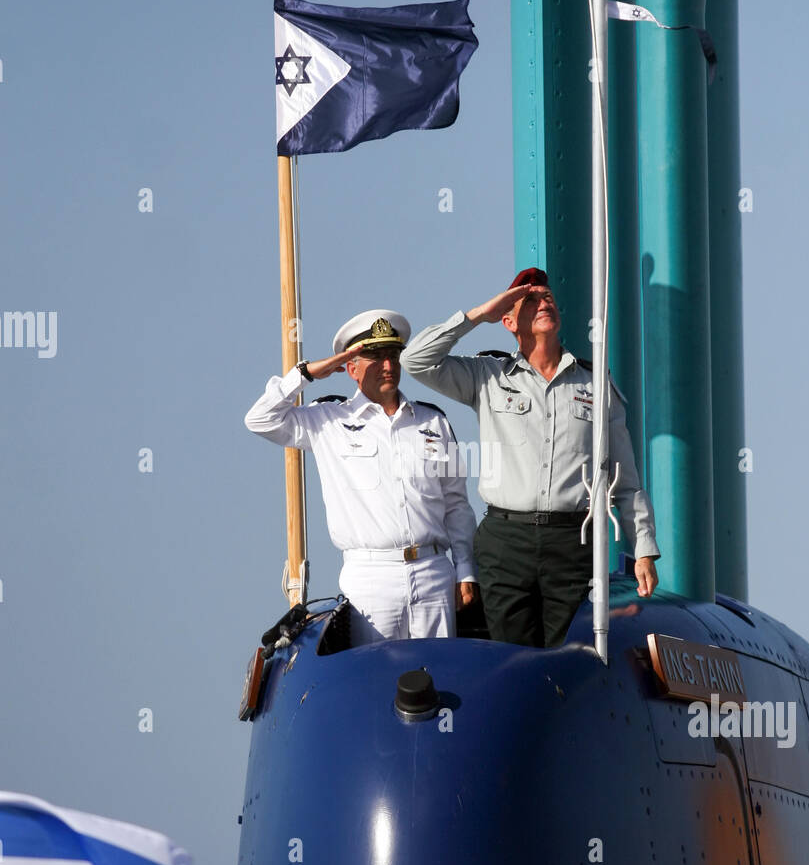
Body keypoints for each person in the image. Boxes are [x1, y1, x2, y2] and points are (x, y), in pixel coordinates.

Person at [400, 270, 660, 647]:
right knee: (509, 657)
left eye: (547, 297)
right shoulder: (488, 376)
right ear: (507, 320)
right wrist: (479, 315)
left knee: (569, 659)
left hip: (573, 541)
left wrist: (643, 549)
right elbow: (416, 360)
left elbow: (625, 477)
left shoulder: (594, 381)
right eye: (530, 300)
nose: (544, 302)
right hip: (506, 541)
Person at [244, 309, 480, 645]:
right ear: (351, 368)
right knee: (374, 683)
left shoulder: (432, 421)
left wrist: (465, 569)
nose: (388, 366)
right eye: (375, 358)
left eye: (392, 356)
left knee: (438, 680)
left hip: (432, 571)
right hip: (371, 577)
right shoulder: (328, 421)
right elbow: (260, 420)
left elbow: (456, 504)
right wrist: (307, 373)